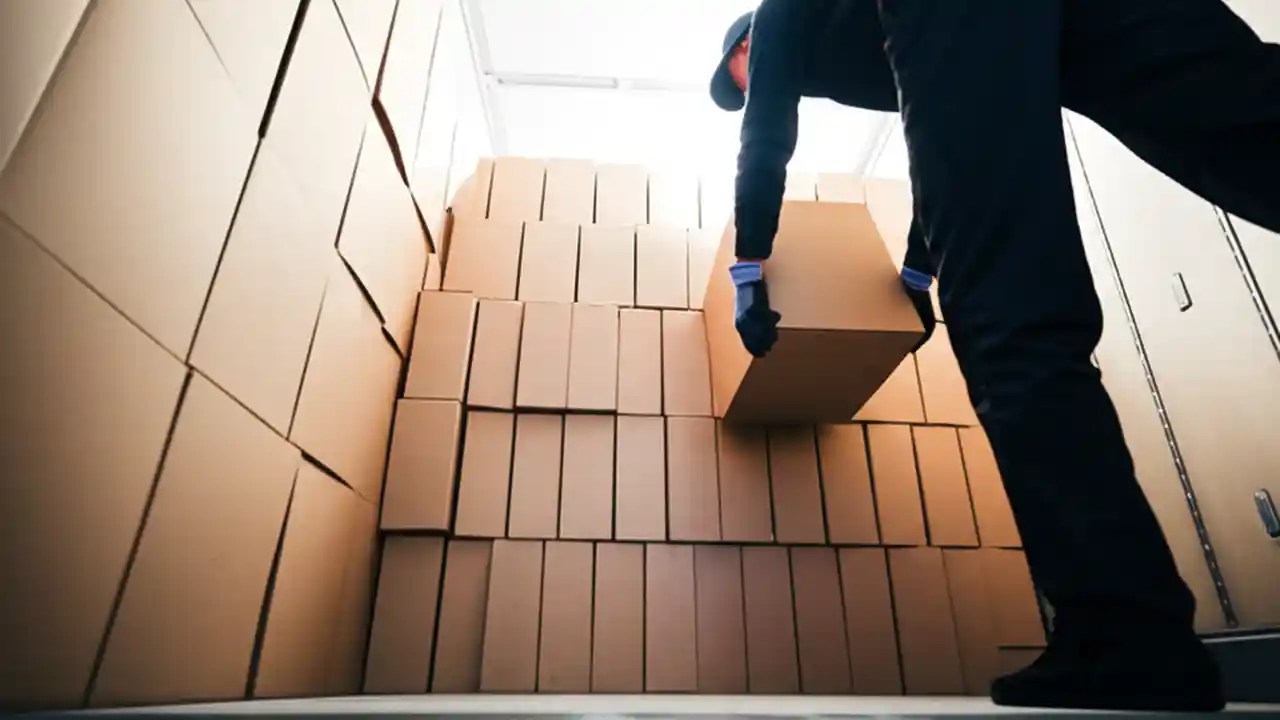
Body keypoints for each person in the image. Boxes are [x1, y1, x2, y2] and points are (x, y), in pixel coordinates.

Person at [711, 0, 1280, 712]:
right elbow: (946, 133)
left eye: (738, 73)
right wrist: (918, 275)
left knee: (1008, 313)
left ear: (745, 45)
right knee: (1243, 112)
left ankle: (1125, 634)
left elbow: (766, 137)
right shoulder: (866, 47)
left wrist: (747, 269)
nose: (747, 86)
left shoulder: (781, 20)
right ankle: (1125, 632)